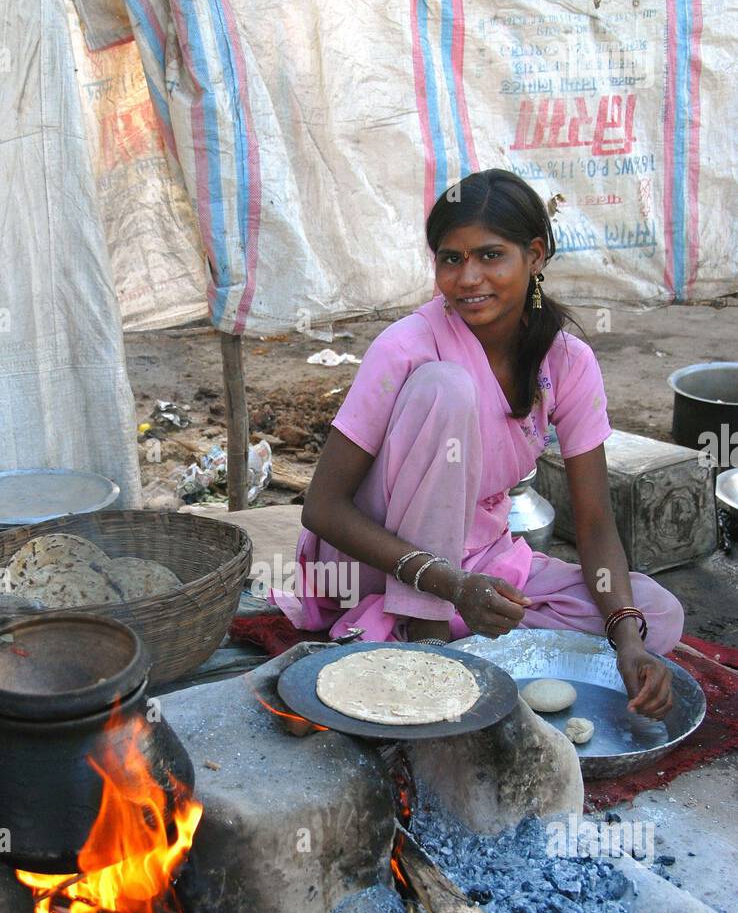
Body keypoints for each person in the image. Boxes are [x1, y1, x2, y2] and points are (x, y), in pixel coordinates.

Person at [274, 169, 683, 720]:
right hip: (375, 557)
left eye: (491, 256)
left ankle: (427, 629)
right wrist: (445, 584)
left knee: (654, 611)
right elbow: (322, 508)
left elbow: (592, 523)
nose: (468, 278)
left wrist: (626, 638)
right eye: (451, 258)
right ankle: (424, 629)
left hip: (480, 559)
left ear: (534, 256)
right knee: (448, 387)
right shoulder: (407, 347)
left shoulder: (566, 361)